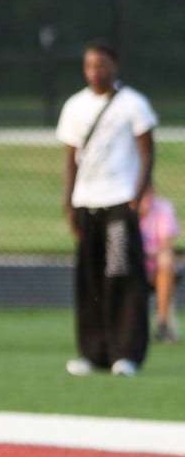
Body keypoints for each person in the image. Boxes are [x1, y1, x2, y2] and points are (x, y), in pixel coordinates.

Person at [58, 40, 156, 376]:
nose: (94, 72)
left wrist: (138, 194)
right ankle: (92, 351)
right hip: (87, 203)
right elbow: (70, 158)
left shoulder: (133, 104)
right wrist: (68, 202)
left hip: (118, 202)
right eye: (89, 66)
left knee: (120, 276)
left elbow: (147, 152)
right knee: (89, 278)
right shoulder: (74, 106)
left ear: (114, 66)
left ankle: (125, 351)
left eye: (101, 65)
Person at [140, 185, 178, 343]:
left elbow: (165, 245)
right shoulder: (125, 212)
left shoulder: (163, 209)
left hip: (154, 268)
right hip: (132, 267)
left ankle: (162, 323)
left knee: (166, 260)